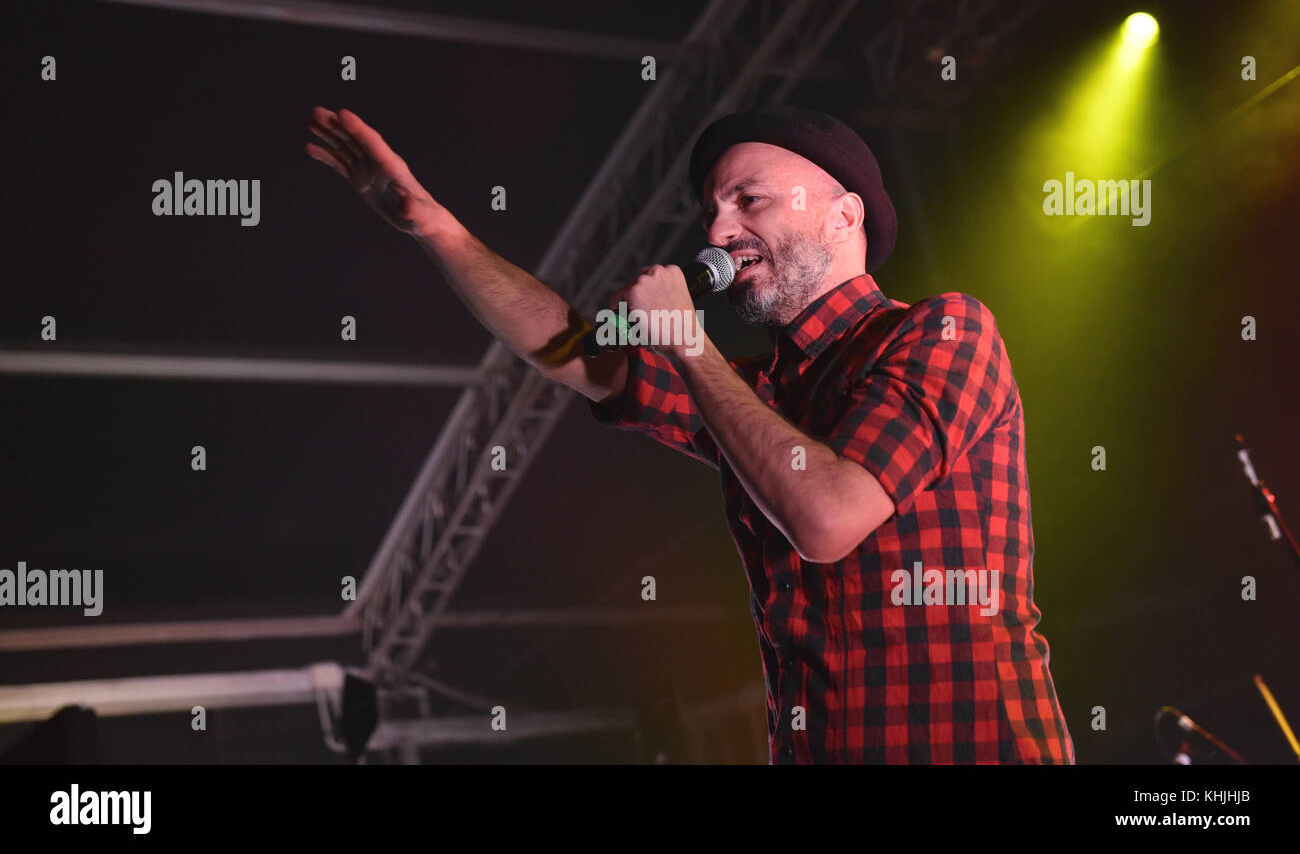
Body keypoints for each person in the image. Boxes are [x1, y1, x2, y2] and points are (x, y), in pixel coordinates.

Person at [305, 102, 1074, 764]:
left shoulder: (945, 330)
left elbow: (829, 516)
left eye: (750, 199)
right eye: (712, 210)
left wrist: (688, 340)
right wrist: (432, 225)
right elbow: (576, 352)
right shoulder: (756, 396)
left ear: (845, 214)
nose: (718, 227)